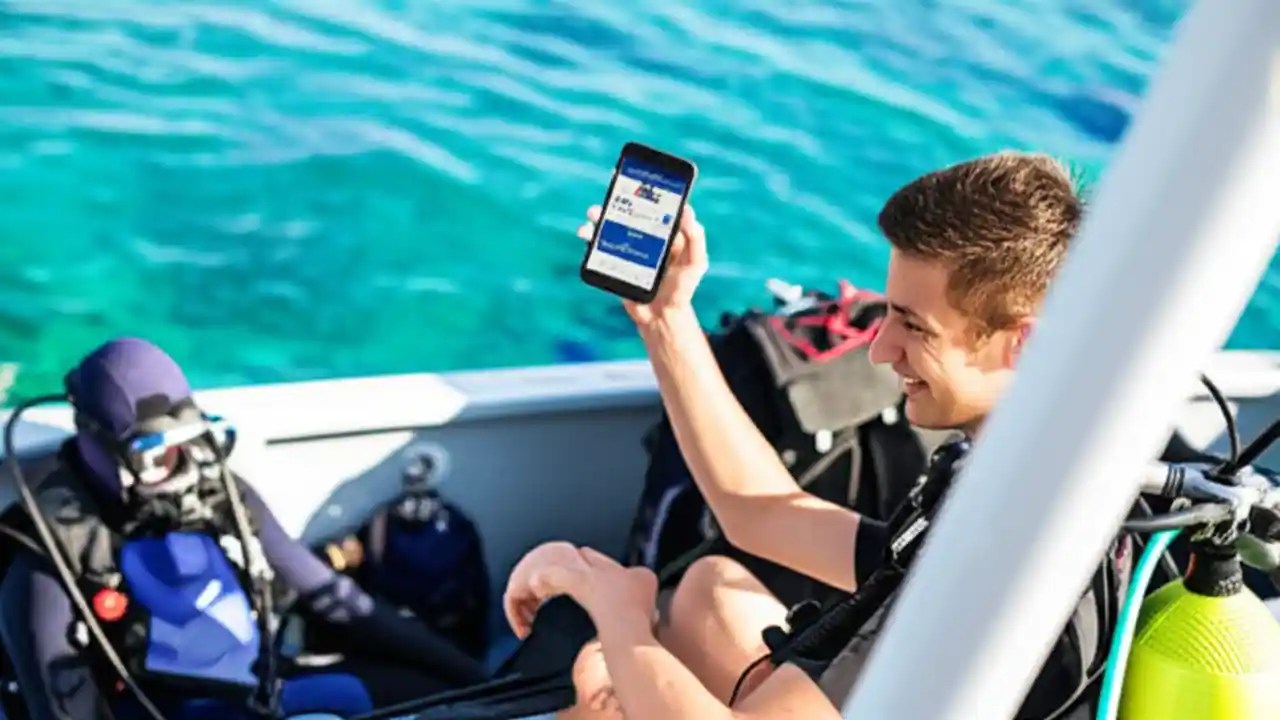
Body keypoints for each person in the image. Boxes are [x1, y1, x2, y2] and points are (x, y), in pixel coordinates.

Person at [504, 152, 1107, 719]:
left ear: (1023, 343)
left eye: (914, 327)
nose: (880, 350)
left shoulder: (1001, 549)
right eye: (888, 314)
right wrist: (665, 317)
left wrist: (616, 614)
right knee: (710, 591)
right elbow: (759, 512)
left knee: (594, 686)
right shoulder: (1015, 475)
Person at [0, 338, 487, 719]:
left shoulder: (218, 492)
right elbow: (64, 708)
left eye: (187, 444)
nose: (181, 470)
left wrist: (478, 679)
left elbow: (335, 600)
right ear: (101, 447)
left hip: (257, 694)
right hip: (154, 709)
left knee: (440, 697)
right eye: (155, 455)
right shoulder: (49, 555)